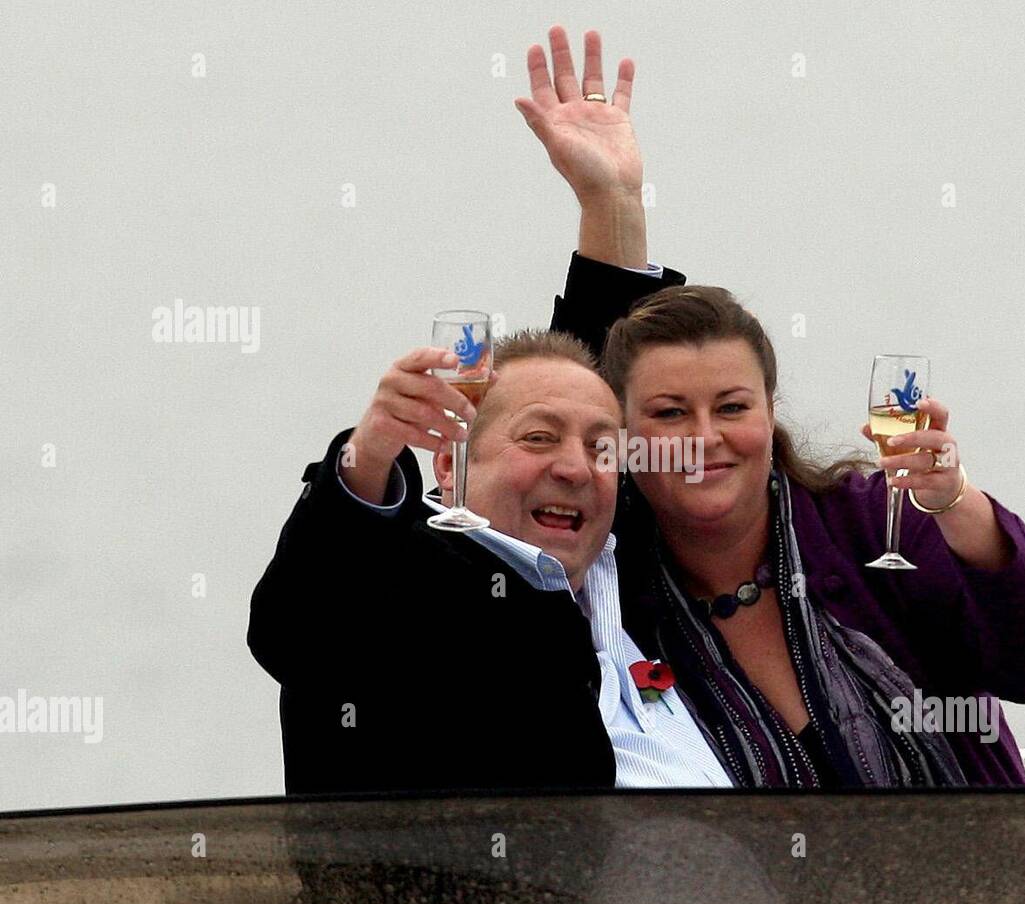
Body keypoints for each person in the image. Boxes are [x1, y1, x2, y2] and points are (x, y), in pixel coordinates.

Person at [518, 27, 1025, 786]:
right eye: (666, 414)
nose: (704, 437)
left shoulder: (868, 523)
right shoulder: (616, 596)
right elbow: (573, 394)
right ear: (621, 440)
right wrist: (611, 200)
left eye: (731, 406)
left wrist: (961, 507)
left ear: (770, 411)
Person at [247, 31, 732, 794]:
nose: (576, 466)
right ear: (451, 462)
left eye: (601, 451)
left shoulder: (635, 566)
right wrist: (369, 459)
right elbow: (297, 626)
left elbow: (599, 377)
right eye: (537, 439)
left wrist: (612, 201)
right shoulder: (410, 587)